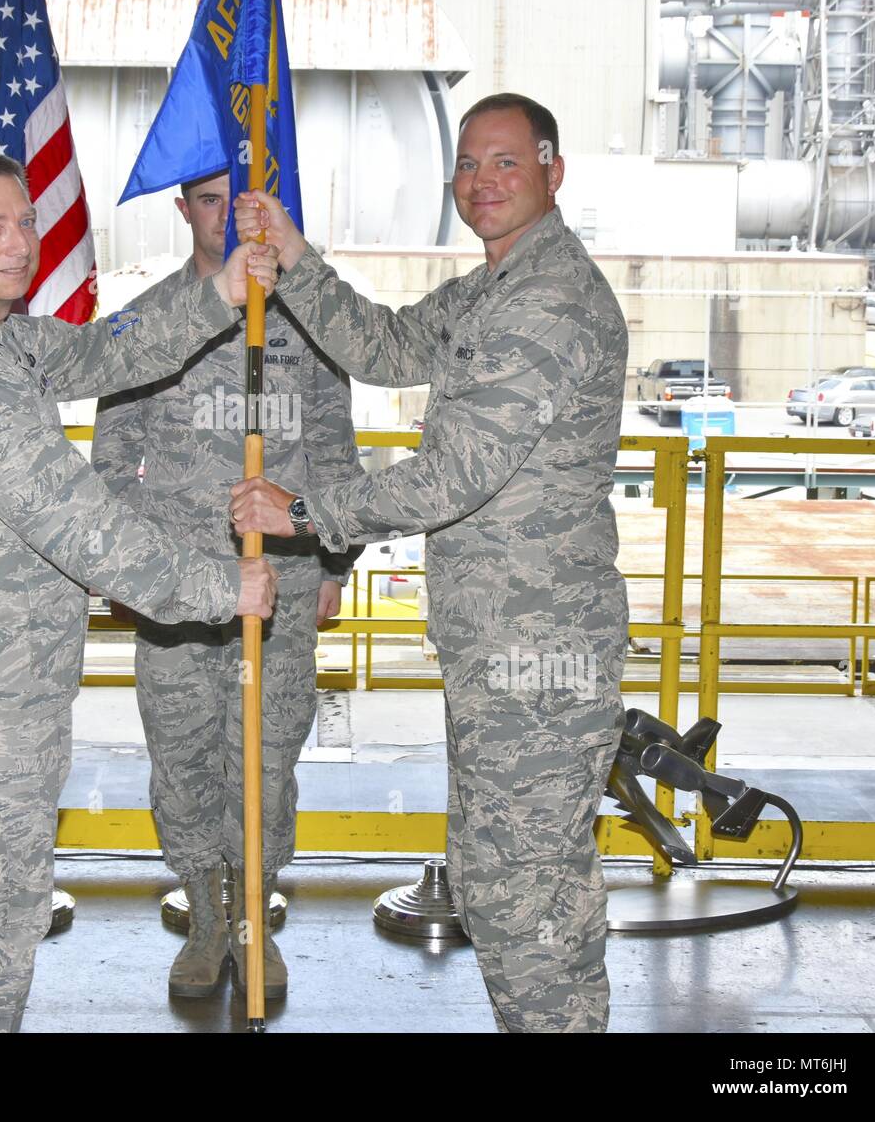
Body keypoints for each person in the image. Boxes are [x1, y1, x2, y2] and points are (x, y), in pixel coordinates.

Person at [228, 94, 629, 1033]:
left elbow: (457, 474)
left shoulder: (550, 298)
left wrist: (307, 513)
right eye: (468, 164)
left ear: (552, 169)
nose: (482, 182)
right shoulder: (495, 285)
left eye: (506, 162)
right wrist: (292, 253)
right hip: (502, 647)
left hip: (541, 653)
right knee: (502, 878)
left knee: (529, 897)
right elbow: (389, 344)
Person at [0, 150, 280, 1033]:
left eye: (24, 222)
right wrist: (227, 585)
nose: (20, 244)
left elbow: (105, 350)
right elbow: (86, 527)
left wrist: (214, 293)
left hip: (5, 697)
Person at [92, 171, 362, 1001]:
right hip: (174, 587)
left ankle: (254, 917)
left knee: (268, 751)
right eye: (209, 199)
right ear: (184, 211)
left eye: (241, 200)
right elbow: (110, 462)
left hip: (277, 580)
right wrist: (129, 569)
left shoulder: (303, 315)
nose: (226, 214)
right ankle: (207, 920)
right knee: (182, 753)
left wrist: (332, 560)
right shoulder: (148, 322)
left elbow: (333, 448)